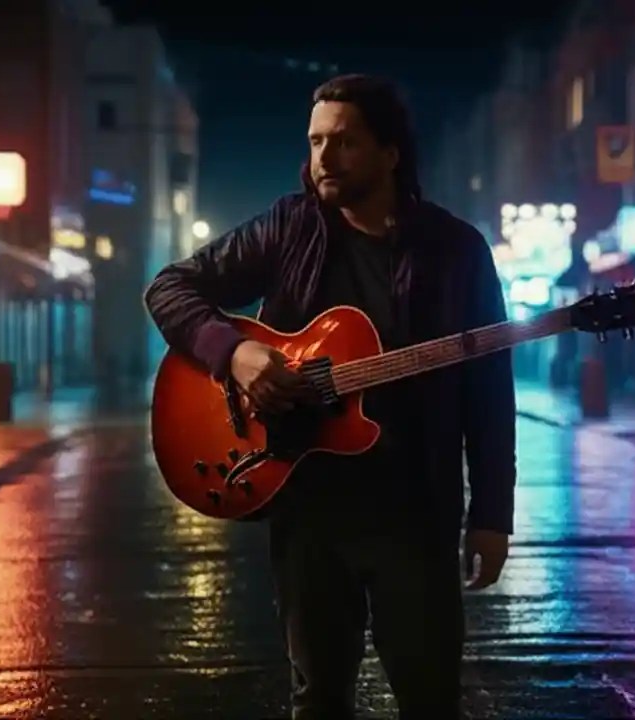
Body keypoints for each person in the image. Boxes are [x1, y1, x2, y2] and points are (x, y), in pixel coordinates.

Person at [144, 74, 516, 719]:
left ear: (391, 153)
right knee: (318, 700)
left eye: (344, 142)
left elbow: (489, 391)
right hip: (309, 507)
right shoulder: (290, 229)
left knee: (431, 699)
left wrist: (491, 512)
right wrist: (234, 352)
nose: (324, 159)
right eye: (316, 141)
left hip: (416, 512)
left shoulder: (456, 251)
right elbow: (171, 287)